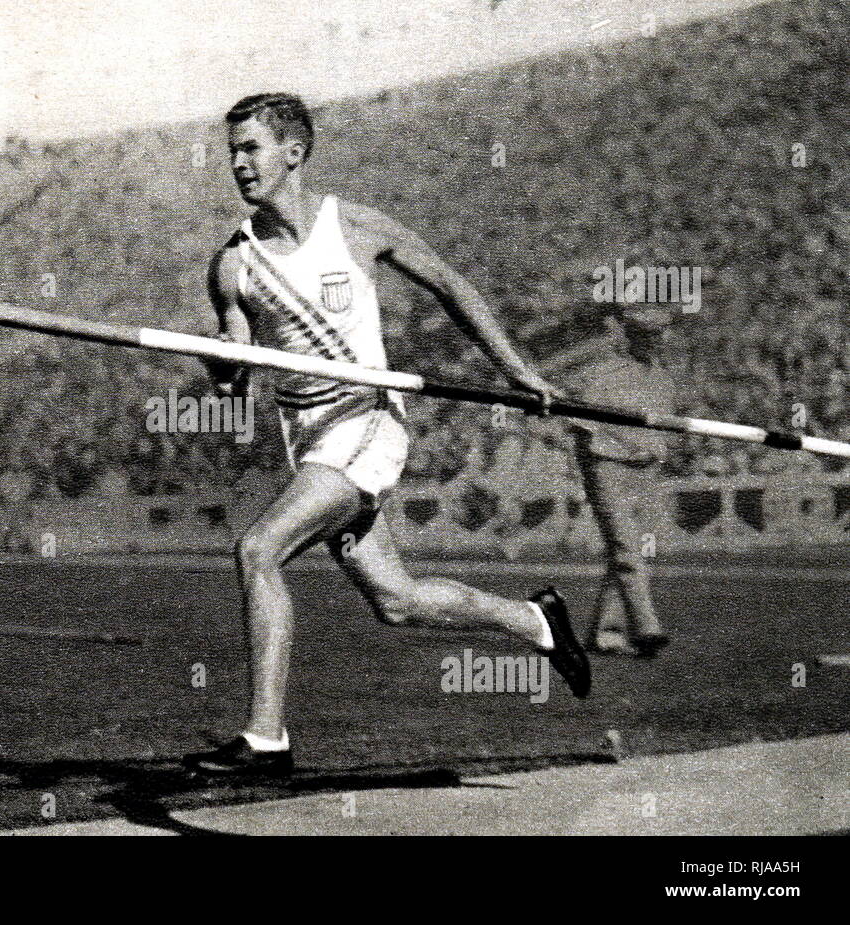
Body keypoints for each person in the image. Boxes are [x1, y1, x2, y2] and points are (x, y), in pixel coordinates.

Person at [182, 93, 589, 777]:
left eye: (251, 148)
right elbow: (233, 377)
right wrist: (219, 359)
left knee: (259, 548)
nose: (239, 164)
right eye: (232, 152)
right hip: (310, 440)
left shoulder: (357, 227)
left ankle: (266, 737)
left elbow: (451, 285)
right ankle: (539, 620)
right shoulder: (234, 264)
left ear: (294, 151)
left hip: (368, 420)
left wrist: (521, 374)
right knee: (396, 602)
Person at [541, 305, 678, 656]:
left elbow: (662, 427)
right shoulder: (604, 374)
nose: (661, 340)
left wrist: (657, 449)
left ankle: (606, 634)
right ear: (635, 337)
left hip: (645, 471)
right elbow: (580, 427)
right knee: (627, 550)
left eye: (662, 334)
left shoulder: (662, 376)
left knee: (633, 553)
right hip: (607, 469)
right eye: (652, 335)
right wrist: (623, 447)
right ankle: (648, 629)